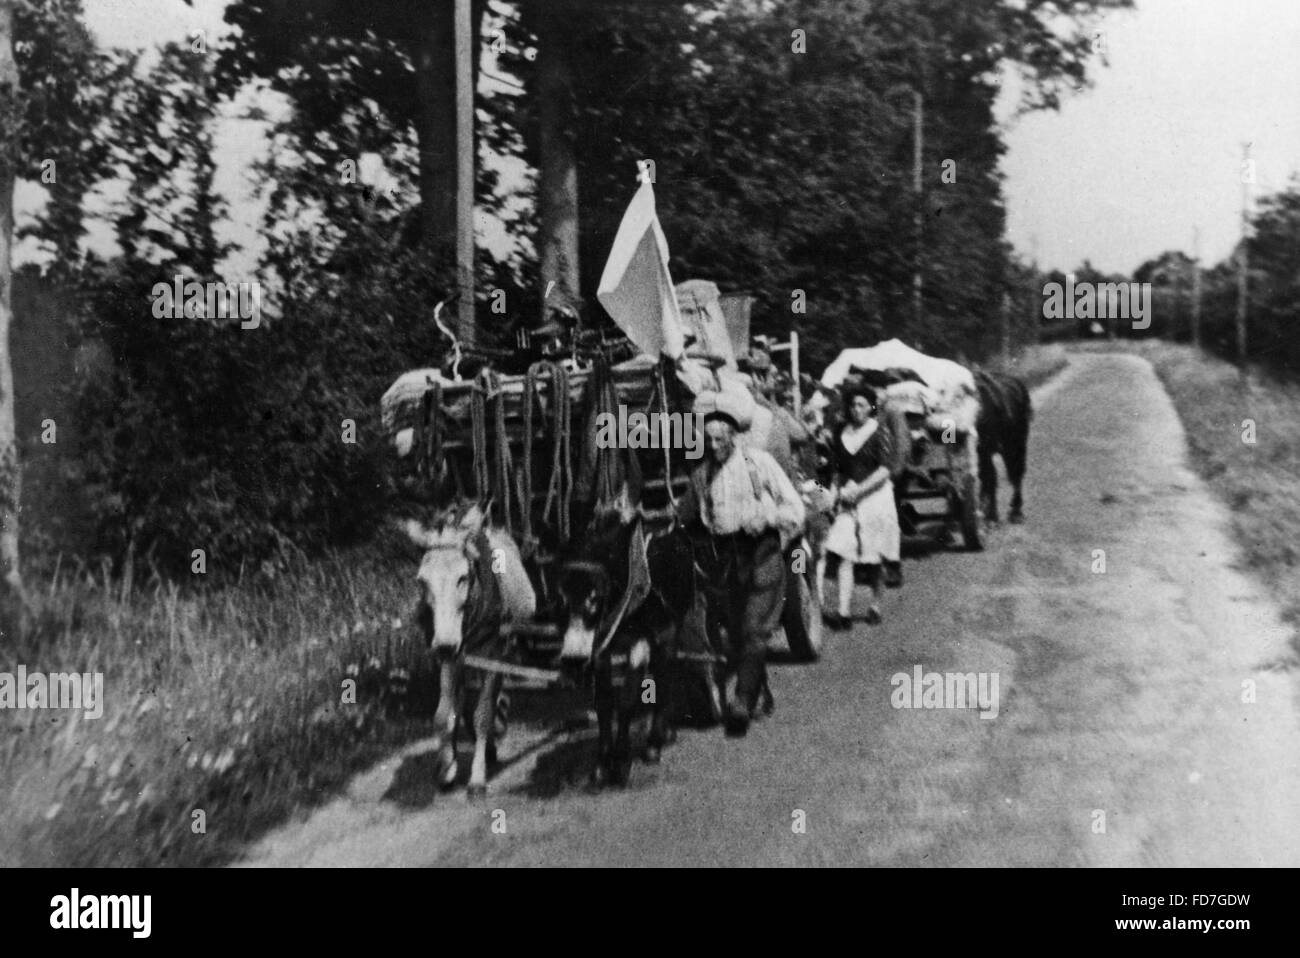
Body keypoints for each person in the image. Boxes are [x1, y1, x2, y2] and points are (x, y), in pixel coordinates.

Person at [677, 389, 806, 736]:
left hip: (761, 555)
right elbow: (685, 517)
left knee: (753, 629)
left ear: (734, 436)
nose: (715, 444)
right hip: (724, 564)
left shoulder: (758, 464)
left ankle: (741, 703)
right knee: (739, 635)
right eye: (709, 439)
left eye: (721, 438)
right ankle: (759, 690)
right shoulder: (701, 476)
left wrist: (766, 518)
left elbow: (795, 509)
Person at [822, 385, 901, 629]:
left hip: (876, 498)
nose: (856, 410)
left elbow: (885, 469)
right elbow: (836, 469)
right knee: (844, 550)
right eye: (853, 405)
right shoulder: (840, 432)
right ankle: (843, 612)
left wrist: (861, 489)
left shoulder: (879, 431)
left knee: (874, 556)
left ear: (870, 408)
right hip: (848, 499)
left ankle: (876, 603)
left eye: (862, 405)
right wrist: (835, 493)